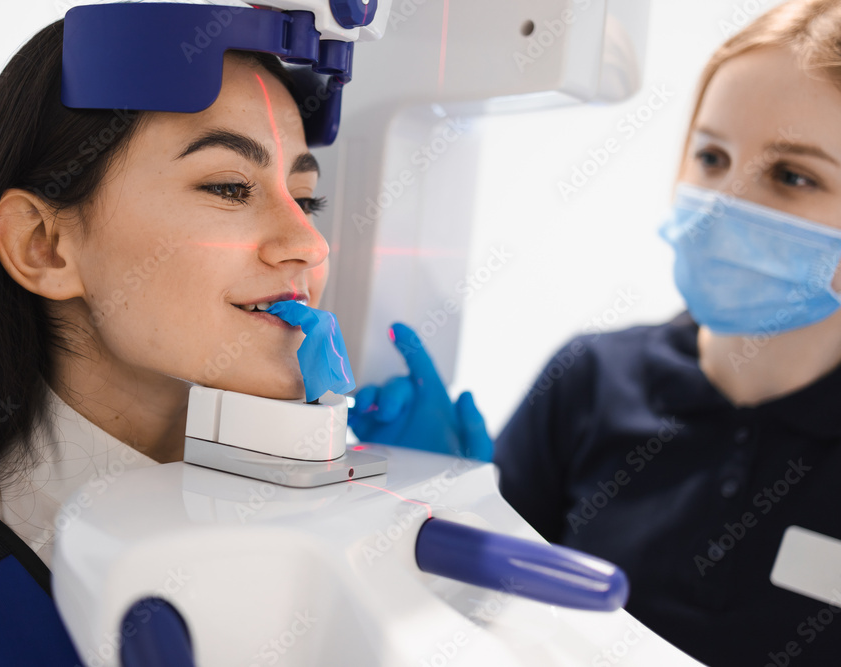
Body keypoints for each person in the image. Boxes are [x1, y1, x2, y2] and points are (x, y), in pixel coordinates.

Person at [351, 1, 841, 664]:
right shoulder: (589, 381)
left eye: (792, 176)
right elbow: (473, 612)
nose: (726, 200)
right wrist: (433, 495)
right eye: (712, 156)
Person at [0, 14, 333, 665]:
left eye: (307, 198)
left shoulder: (317, 511)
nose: (308, 243)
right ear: (42, 246)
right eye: (229, 187)